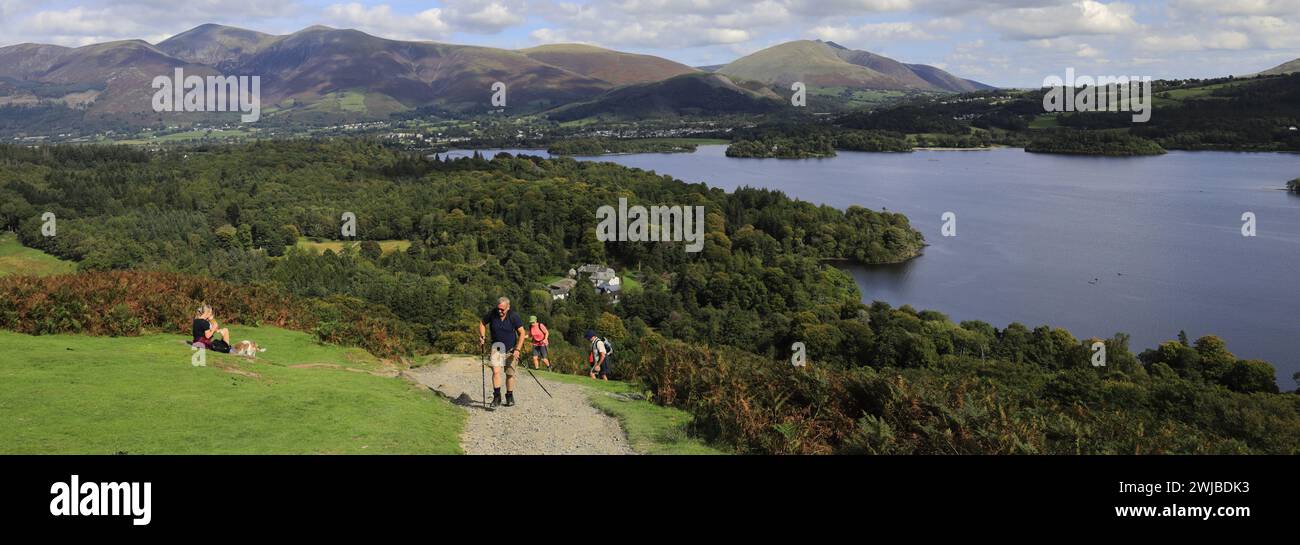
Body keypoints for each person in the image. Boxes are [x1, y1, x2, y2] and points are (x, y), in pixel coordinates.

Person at [479, 297, 525, 407]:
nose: (500, 311)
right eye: (498, 308)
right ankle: (497, 397)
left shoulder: (513, 316)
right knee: (496, 372)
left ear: (508, 308)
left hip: (511, 350)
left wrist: (518, 349)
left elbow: (522, 333)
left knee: (510, 374)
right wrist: (482, 336)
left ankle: (509, 396)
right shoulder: (492, 314)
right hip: (497, 348)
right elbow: (482, 323)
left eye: (502, 309)